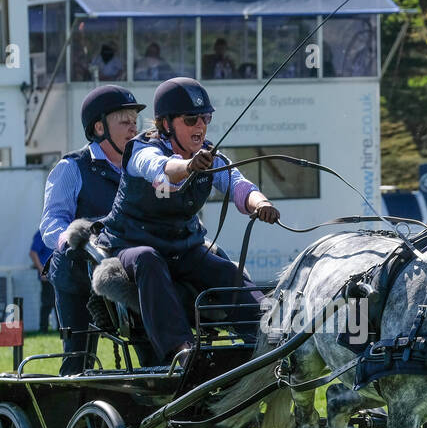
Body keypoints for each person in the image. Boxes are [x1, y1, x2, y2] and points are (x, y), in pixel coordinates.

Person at [97, 76, 279, 365]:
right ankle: (180, 350)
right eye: (191, 119)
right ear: (166, 124)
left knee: (225, 272)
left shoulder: (209, 157)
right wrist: (188, 165)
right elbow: (160, 169)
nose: (201, 126)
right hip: (130, 245)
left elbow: (237, 183)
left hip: (183, 247)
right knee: (148, 259)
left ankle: (272, 337)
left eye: (205, 118)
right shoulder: (142, 150)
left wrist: (261, 203)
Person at [40, 85, 146, 374]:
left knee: (149, 347)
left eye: (134, 123)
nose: (132, 129)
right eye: (124, 122)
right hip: (76, 277)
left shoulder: (139, 166)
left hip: (122, 273)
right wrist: (69, 239)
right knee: (79, 360)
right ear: (99, 128)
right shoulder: (71, 167)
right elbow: (51, 222)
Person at [29, 231, 55, 331]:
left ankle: (61, 328)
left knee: (58, 304)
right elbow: (33, 253)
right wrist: (42, 270)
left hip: (58, 275)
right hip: (47, 275)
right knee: (47, 303)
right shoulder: (41, 233)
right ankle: (43, 328)